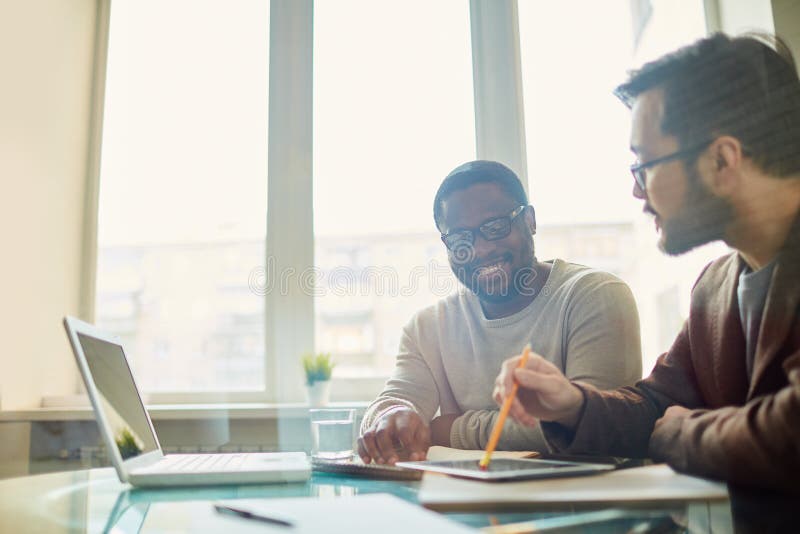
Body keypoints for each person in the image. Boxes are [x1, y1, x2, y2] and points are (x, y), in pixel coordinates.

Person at [493, 33, 800, 491]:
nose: (638, 190)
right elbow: (658, 405)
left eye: (645, 165)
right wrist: (572, 403)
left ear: (721, 160)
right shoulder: (715, 287)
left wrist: (682, 432)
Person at [357, 160, 642, 465]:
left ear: (530, 220)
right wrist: (391, 416)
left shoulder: (595, 296)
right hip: (471, 506)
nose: (480, 249)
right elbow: (391, 404)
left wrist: (450, 429)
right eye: (460, 238)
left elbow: (593, 428)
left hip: (590, 503)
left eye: (495, 227)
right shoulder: (428, 328)